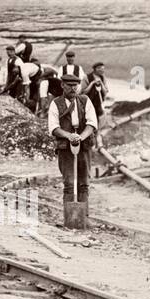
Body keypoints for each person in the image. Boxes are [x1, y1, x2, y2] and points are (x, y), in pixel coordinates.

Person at [48, 74, 98, 222]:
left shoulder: (85, 100)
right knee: (69, 183)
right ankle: (69, 218)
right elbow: (54, 128)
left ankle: (83, 217)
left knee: (84, 183)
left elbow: (92, 124)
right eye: (69, 85)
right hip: (65, 146)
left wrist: (80, 137)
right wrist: (69, 136)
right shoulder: (55, 104)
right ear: (62, 85)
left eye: (75, 85)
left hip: (84, 145)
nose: (72, 88)